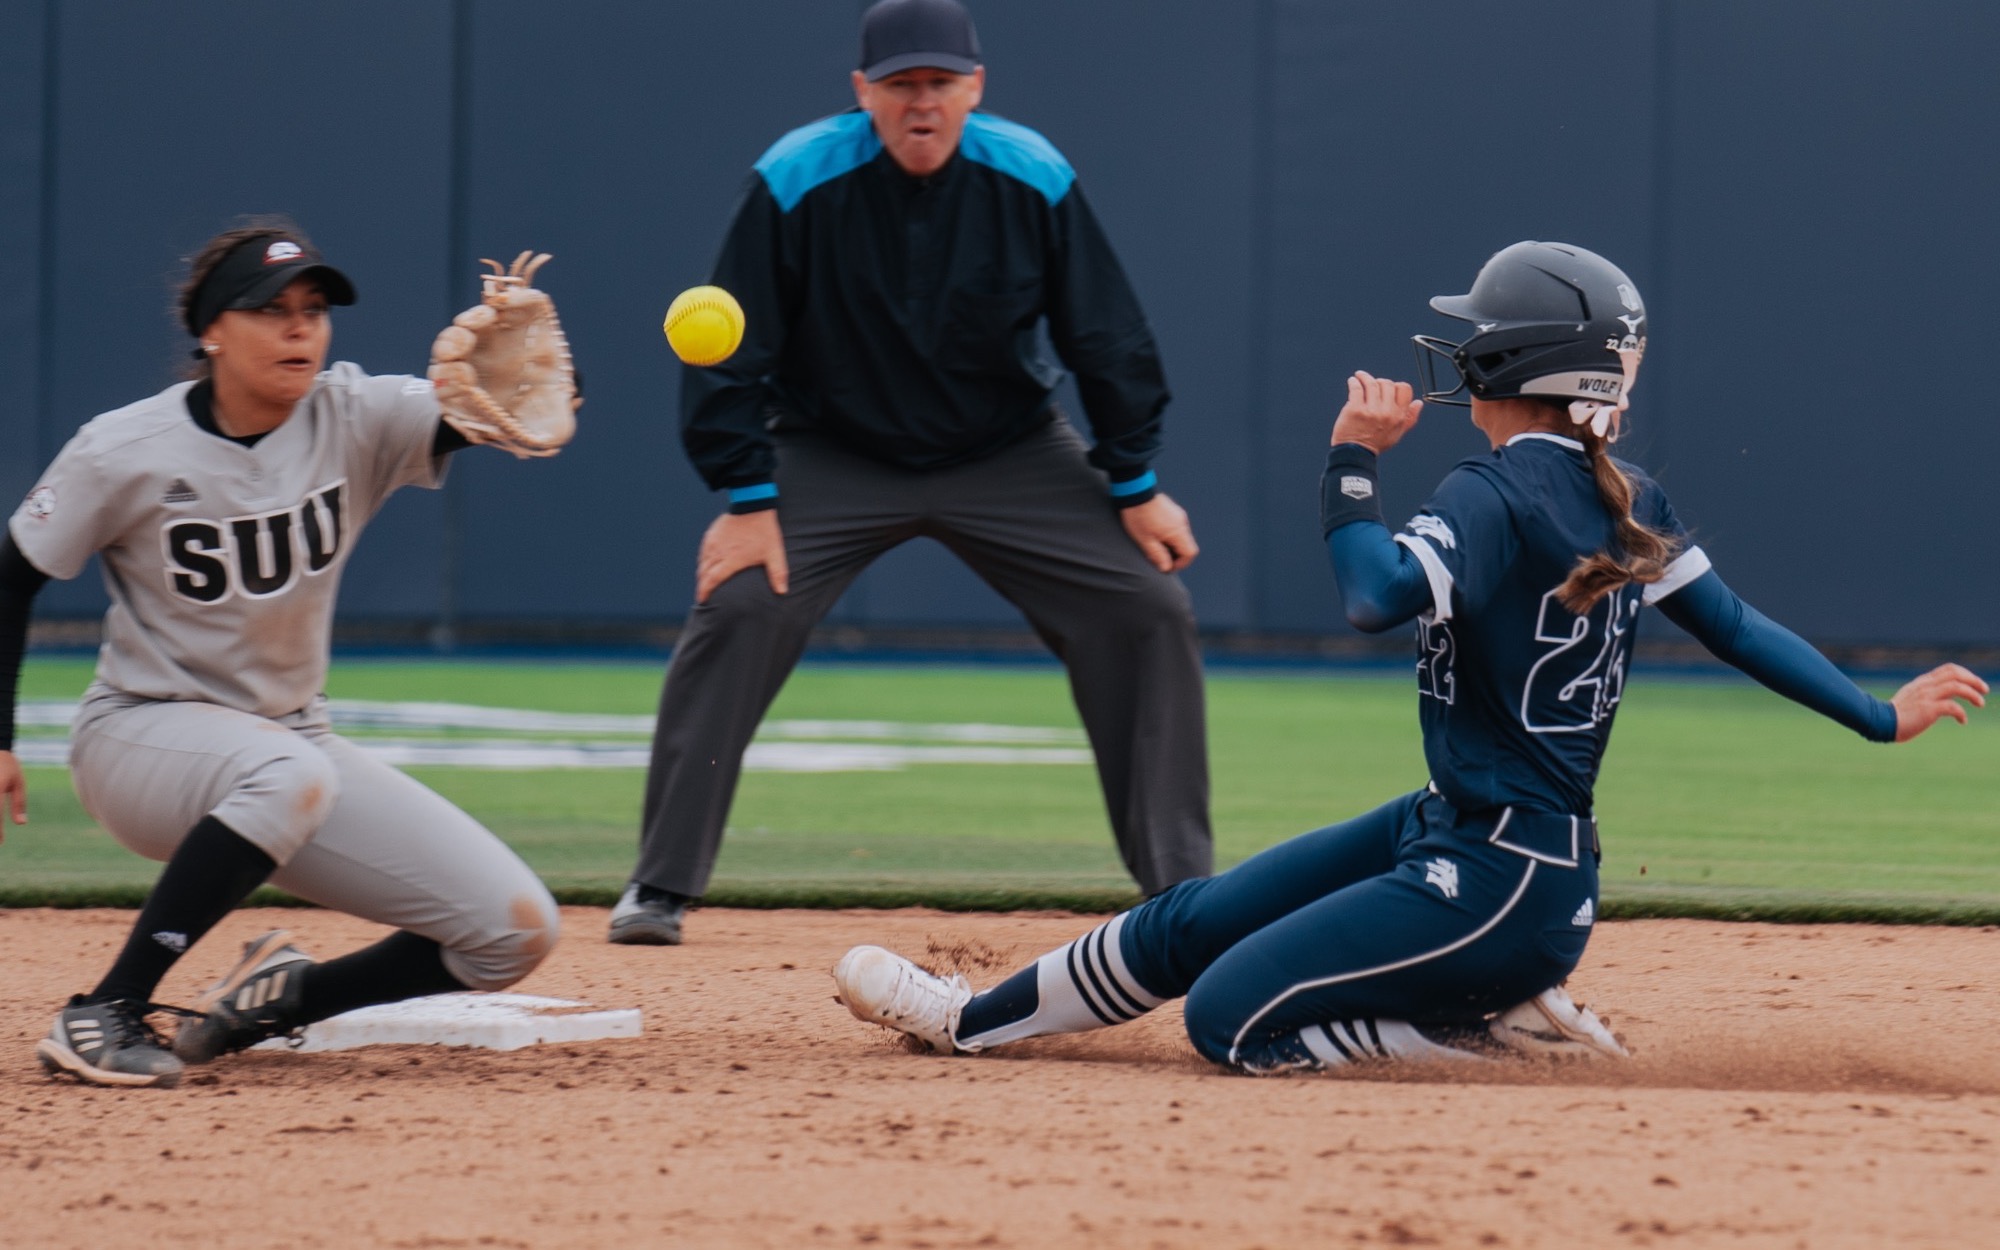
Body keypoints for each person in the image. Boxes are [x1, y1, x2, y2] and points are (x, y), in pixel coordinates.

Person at [828, 241, 1988, 1073]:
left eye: (1478, 332)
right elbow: (1738, 630)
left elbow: (1369, 597)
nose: (1459, 347)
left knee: (1229, 1018)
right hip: (1469, 835)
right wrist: (1874, 715)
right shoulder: (1622, 491)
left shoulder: (1492, 490)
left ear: (1516, 360)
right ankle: (970, 1017)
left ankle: (1465, 1026)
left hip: (1504, 884)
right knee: (1195, 915)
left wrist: (1347, 460)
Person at [611, 0, 1211, 945]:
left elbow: (1108, 334)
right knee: (739, 606)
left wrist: (1133, 483)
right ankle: (660, 886)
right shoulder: (795, 177)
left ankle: (1181, 892)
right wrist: (747, 497)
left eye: (940, 83)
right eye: (900, 86)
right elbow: (730, 351)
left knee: (1149, 609)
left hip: (1008, 451)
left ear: (976, 87)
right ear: (863, 94)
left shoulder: (1033, 173)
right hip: (829, 451)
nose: (920, 104)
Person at [0, 218, 572, 1088]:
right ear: (212, 332)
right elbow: (12, 576)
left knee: (514, 927)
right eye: (270, 309)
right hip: (138, 741)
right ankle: (105, 1010)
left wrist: (510, 389)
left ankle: (276, 1002)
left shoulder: (356, 415)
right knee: (286, 774)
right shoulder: (125, 447)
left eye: (314, 308)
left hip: (289, 746)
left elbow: (498, 407)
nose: (300, 326)